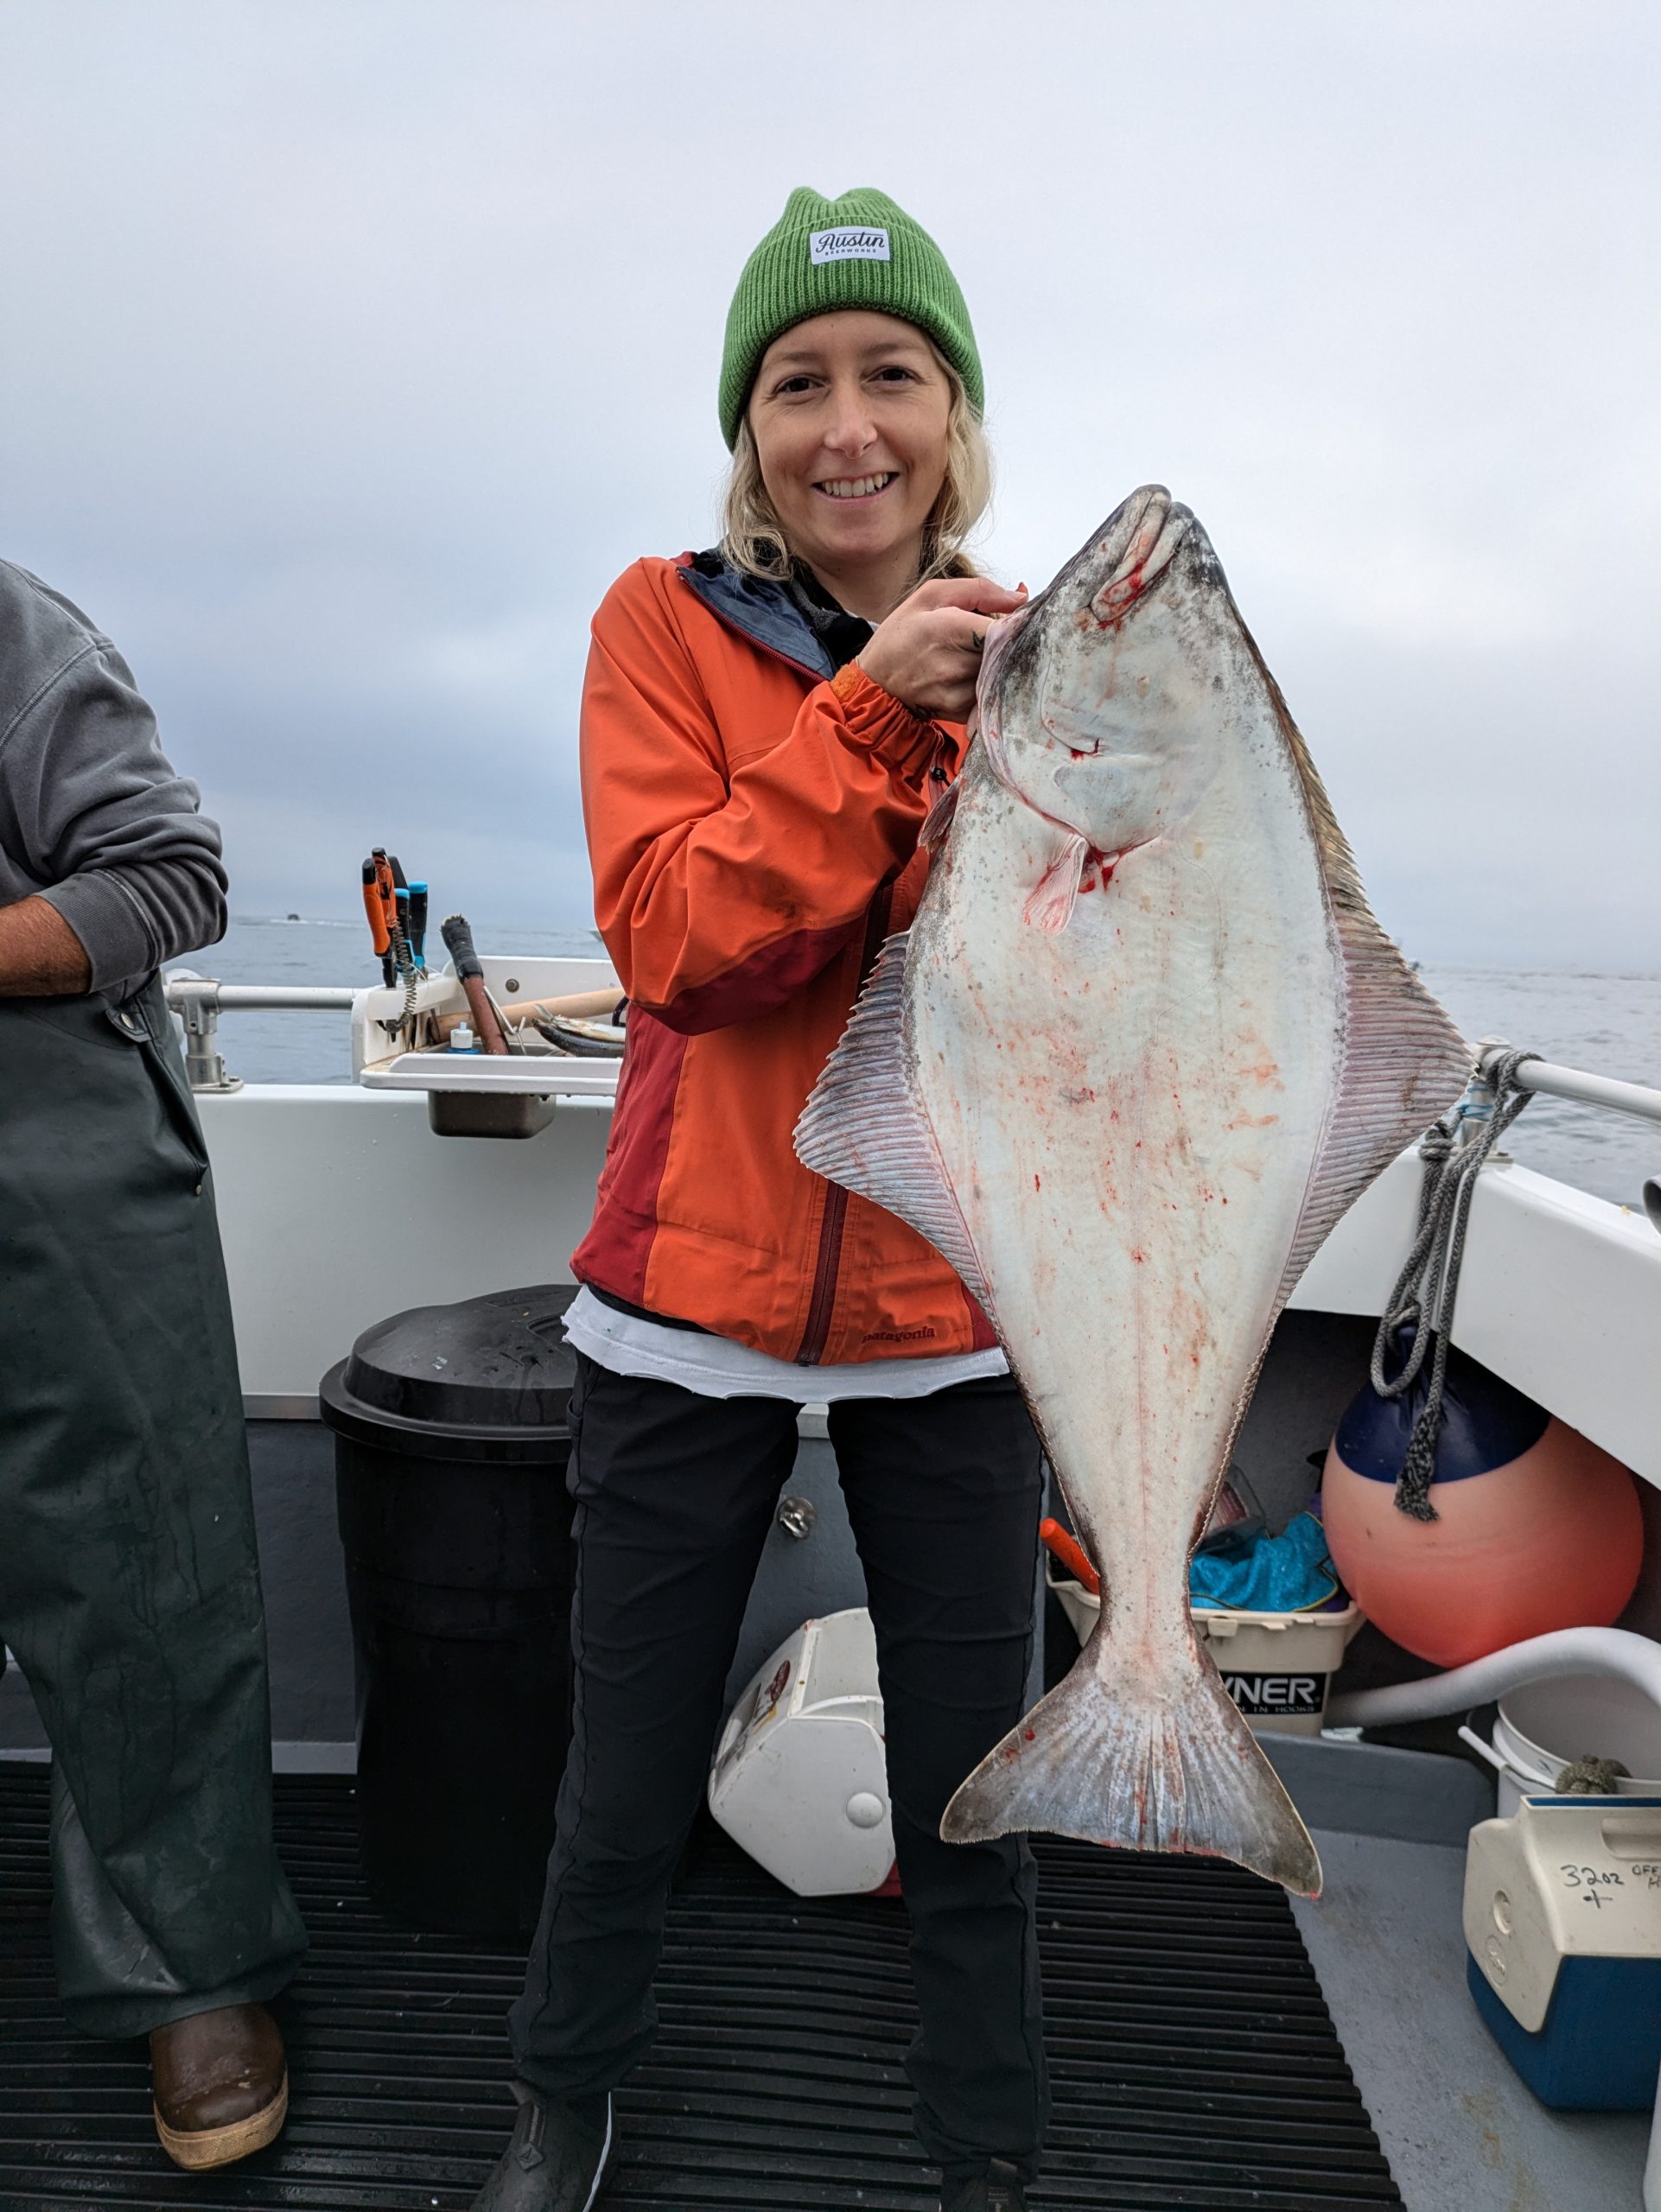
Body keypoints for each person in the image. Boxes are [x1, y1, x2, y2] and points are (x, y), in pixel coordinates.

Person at [474, 188, 1046, 2212]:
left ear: (952, 413)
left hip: (959, 1308)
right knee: (618, 1771)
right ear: (750, 430)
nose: (845, 423)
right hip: (681, 1303)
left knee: (975, 1786)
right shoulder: (658, 620)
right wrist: (879, 704)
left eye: (891, 371)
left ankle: (985, 2145)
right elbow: (676, 940)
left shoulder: (1049, 665)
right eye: (796, 382)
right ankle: (562, 2092)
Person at [0, 563, 308, 2168]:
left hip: (42, 1158)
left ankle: (187, 1957)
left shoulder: (13, 631)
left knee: (139, 1563)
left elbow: (171, 876)